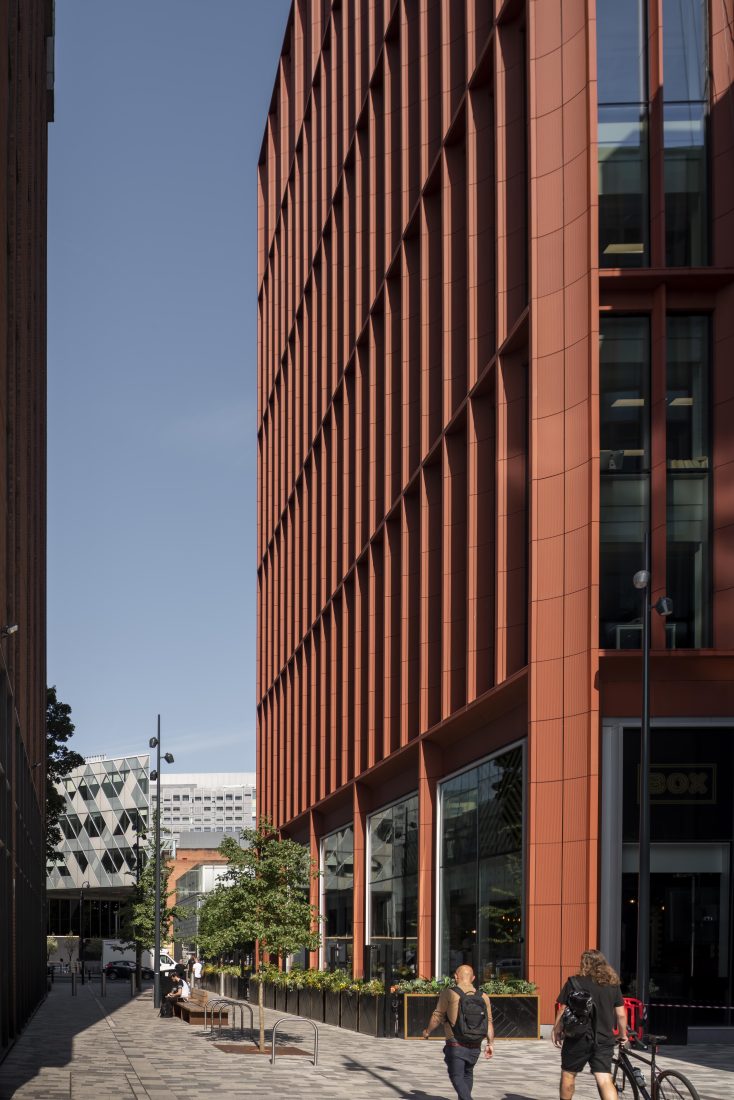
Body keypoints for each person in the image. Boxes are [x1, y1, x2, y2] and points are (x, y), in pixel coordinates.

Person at [552, 949, 628, 1100]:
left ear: (583, 964)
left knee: (569, 1074)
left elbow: (562, 1008)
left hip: (577, 1038)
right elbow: (620, 1014)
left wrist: (557, 1029)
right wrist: (622, 1035)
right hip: (604, 1039)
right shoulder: (613, 985)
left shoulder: (574, 982)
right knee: (605, 1079)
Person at [422, 964, 494, 1100]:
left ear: (455, 977)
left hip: (456, 1043)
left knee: (456, 1076)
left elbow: (437, 1016)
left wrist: (427, 1031)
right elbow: (489, 1021)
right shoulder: (483, 996)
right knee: (468, 1074)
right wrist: (490, 1043)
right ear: (473, 978)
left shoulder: (449, 993)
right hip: (475, 1044)